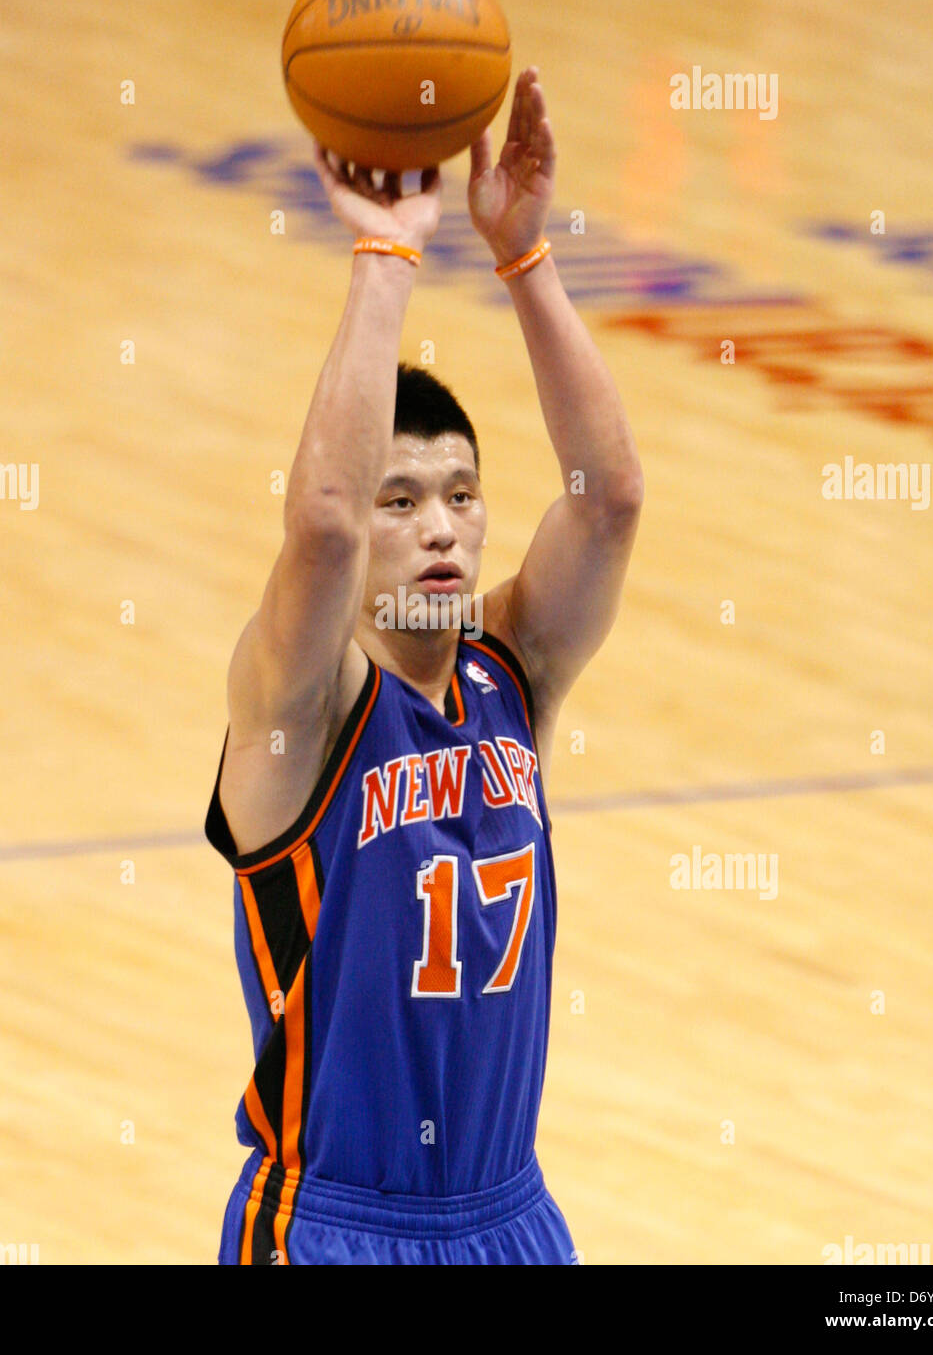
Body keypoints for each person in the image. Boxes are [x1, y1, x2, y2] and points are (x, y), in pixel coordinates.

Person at [205, 65, 643, 1264]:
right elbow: (324, 526)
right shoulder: (300, 703)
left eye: (461, 493)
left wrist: (524, 258)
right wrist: (386, 256)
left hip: (509, 1217)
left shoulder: (516, 675)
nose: (441, 523)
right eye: (406, 498)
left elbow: (606, 500)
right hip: (337, 1228)